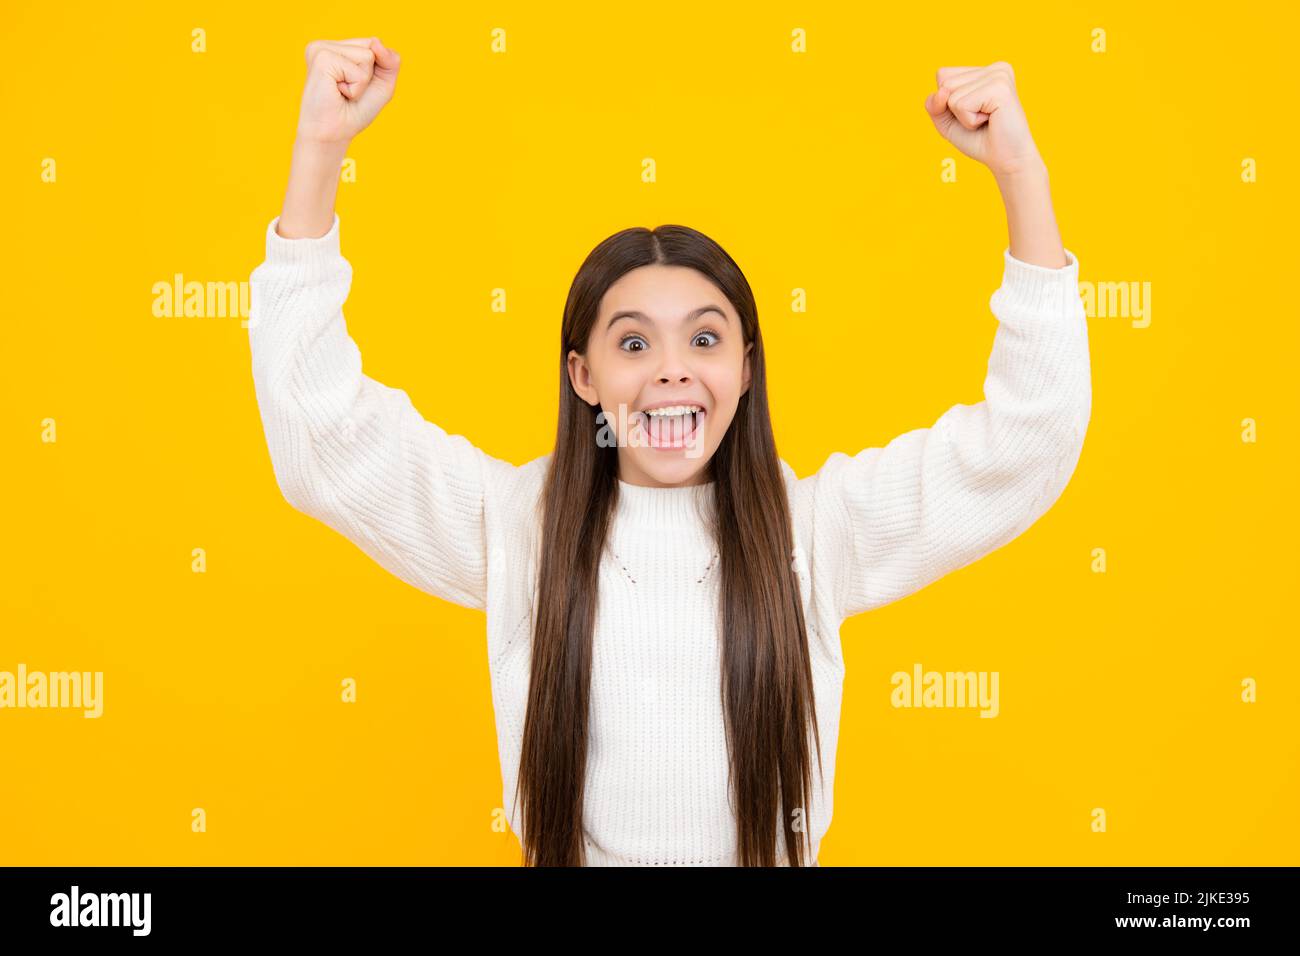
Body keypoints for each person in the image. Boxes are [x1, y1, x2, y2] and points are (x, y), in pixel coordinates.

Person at [248, 38, 1092, 867]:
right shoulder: (518, 527)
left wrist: (1022, 177)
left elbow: (1027, 437)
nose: (673, 372)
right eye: (633, 344)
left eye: (704, 338)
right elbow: (321, 431)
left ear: (745, 369)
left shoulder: (817, 531)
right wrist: (319, 152)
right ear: (583, 375)